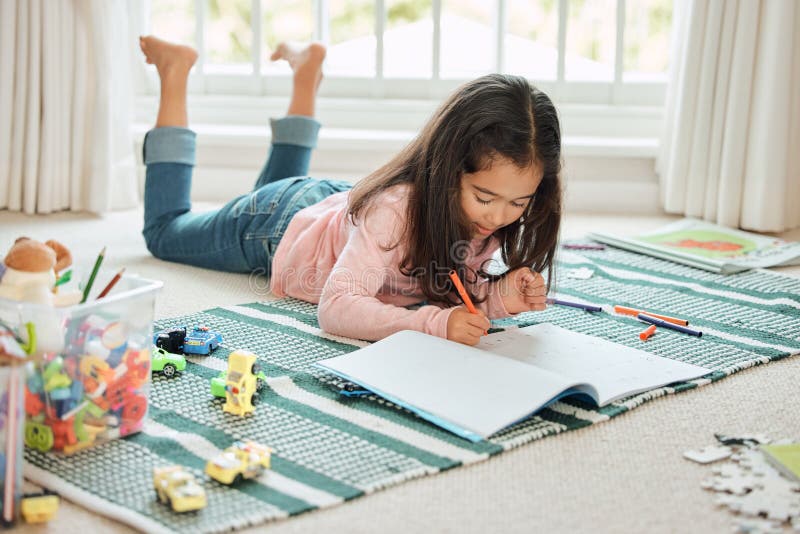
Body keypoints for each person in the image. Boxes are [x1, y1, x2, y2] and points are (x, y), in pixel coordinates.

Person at [139, 36, 563, 347]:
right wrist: (432, 324)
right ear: (446, 170)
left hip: (340, 208)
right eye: (485, 198)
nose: (496, 217)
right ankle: (174, 73)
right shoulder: (394, 214)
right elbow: (336, 308)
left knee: (278, 190)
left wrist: (498, 295)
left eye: (518, 203)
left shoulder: (475, 210)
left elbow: (448, 286)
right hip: (277, 224)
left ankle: (307, 73)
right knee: (165, 232)